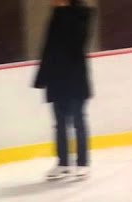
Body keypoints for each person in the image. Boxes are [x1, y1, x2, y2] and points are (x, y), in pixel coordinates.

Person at [33, 0, 94, 181]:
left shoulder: (82, 14)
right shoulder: (56, 16)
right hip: (56, 78)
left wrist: (62, 13)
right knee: (59, 123)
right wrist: (41, 78)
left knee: (77, 120)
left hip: (75, 77)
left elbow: (77, 43)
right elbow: (48, 49)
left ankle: (82, 163)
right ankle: (63, 163)